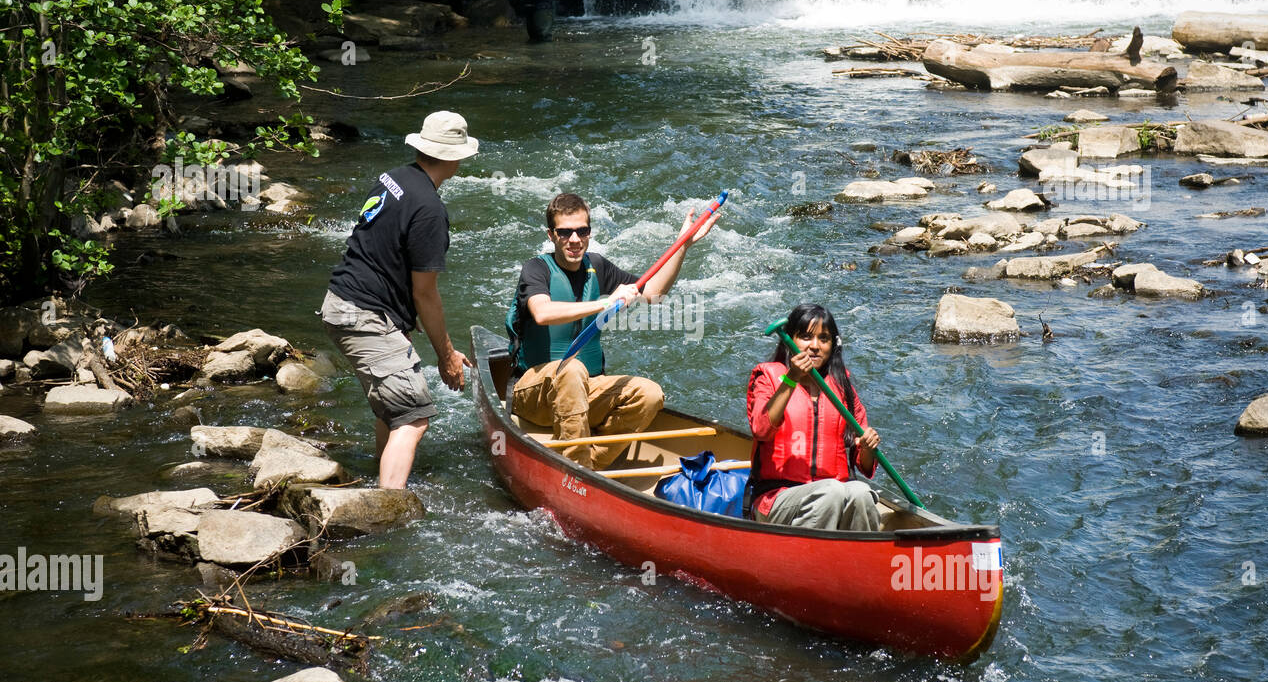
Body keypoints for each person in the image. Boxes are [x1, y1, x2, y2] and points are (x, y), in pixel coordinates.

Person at [320, 110, 478, 489]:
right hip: (363, 316)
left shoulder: (393, 178)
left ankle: (382, 472)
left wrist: (403, 325)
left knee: (394, 405)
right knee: (411, 416)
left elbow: (383, 252)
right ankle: (388, 505)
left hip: (343, 302)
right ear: (456, 158)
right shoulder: (430, 211)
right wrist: (446, 355)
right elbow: (425, 292)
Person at [507, 192, 719, 470]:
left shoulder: (598, 266)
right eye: (565, 232)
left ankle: (588, 466)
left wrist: (682, 246)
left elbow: (654, 293)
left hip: (584, 390)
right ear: (551, 235)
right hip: (534, 394)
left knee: (649, 394)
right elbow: (543, 313)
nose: (574, 239)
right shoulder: (536, 269)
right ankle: (576, 469)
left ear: (589, 232)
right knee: (571, 369)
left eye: (582, 231)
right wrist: (605, 303)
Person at [745, 304, 883, 531]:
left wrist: (868, 447)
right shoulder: (768, 377)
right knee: (830, 491)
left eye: (824, 339)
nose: (815, 346)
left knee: (861, 493)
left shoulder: (842, 387)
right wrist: (792, 379)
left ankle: (857, 560)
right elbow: (761, 429)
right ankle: (806, 559)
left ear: (832, 346)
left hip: (833, 493)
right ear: (790, 340)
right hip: (776, 499)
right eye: (806, 337)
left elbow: (864, 465)